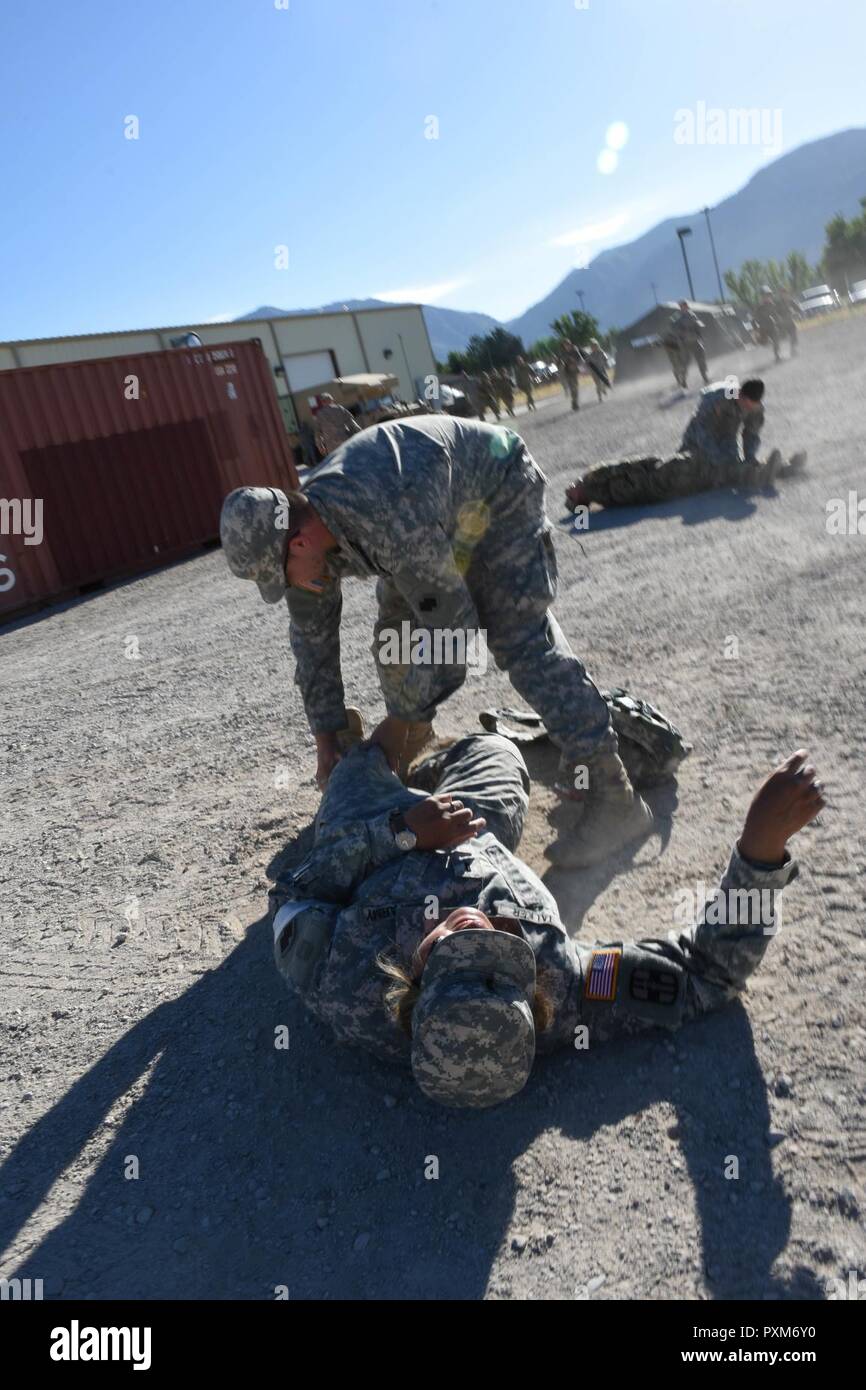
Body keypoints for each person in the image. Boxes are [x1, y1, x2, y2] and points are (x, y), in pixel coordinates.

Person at [269, 733, 824, 1108]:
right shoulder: (560, 984)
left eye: (446, 946)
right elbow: (705, 977)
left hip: (382, 839)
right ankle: (431, 759)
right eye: (498, 943)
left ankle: (385, 751)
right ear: (533, 993)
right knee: (498, 752)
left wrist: (402, 831)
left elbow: (294, 890)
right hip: (474, 833)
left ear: (408, 987)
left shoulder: (342, 978)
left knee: (357, 764)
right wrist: (761, 850)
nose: (472, 922)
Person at [220, 415, 653, 869]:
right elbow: (312, 639)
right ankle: (407, 756)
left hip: (495, 488)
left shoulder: (385, 513)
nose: (287, 587)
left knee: (517, 636)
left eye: (280, 576)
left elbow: (453, 634)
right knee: (397, 641)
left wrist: (398, 720)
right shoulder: (311, 537)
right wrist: (326, 733)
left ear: (301, 543)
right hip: (431, 517)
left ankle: (613, 795)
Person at [565, 379, 806, 510]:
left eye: (751, 406)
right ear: (739, 394)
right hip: (698, 443)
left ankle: (773, 470)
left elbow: (751, 435)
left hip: (699, 466)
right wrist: (723, 458)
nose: (747, 408)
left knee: (719, 471)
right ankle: (769, 471)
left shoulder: (755, 408)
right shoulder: (720, 397)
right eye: (744, 402)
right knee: (685, 470)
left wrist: (749, 456)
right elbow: (701, 431)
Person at [670, 300, 710, 386]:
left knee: (701, 358)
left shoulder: (692, 314)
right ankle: (683, 380)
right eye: (682, 306)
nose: (684, 307)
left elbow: (698, 325)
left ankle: (705, 377)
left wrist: (699, 333)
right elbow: (673, 328)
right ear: (680, 307)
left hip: (695, 340)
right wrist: (681, 333)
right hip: (685, 343)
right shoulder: (676, 316)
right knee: (685, 363)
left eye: (685, 306)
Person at [313, 394, 361, 458]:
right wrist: (360, 432)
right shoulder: (340, 408)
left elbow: (317, 433)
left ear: (322, 402)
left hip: (331, 446)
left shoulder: (319, 414)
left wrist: (320, 446)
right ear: (331, 400)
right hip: (345, 439)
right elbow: (352, 423)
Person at [754, 291, 781, 363]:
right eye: (766, 296)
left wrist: (778, 320)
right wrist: (756, 329)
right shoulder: (759, 307)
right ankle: (767, 345)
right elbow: (755, 318)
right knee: (764, 342)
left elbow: (775, 314)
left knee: (776, 340)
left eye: (769, 296)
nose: (768, 298)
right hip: (763, 327)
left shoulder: (772, 305)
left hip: (771, 325)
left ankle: (777, 355)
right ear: (763, 298)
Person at [772, 288, 799, 357]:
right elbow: (775, 313)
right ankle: (777, 354)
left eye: (785, 293)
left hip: (789, 321)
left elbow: (797, 308)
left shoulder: (790, 301)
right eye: (782, 294)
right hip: (781, 324)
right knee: (780, 338)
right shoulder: (778, 303)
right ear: (781, 295)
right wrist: (778, 319)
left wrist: (798, 313)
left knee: (794, 334)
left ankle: (793, 350)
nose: (784, 295)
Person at [559, 341, 581, 410]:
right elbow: (561, 362)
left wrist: (574, 361)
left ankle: (575, 401)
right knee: (572, 388)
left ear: (570, 345)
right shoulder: (563, 353)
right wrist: (565, 361)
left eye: (567, 344)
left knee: (575, 388)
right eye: (565, 345)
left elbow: (579, 359)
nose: (566, 346)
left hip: (574, 372)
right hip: (567, 373)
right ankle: (574, 402)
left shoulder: (575, 351)